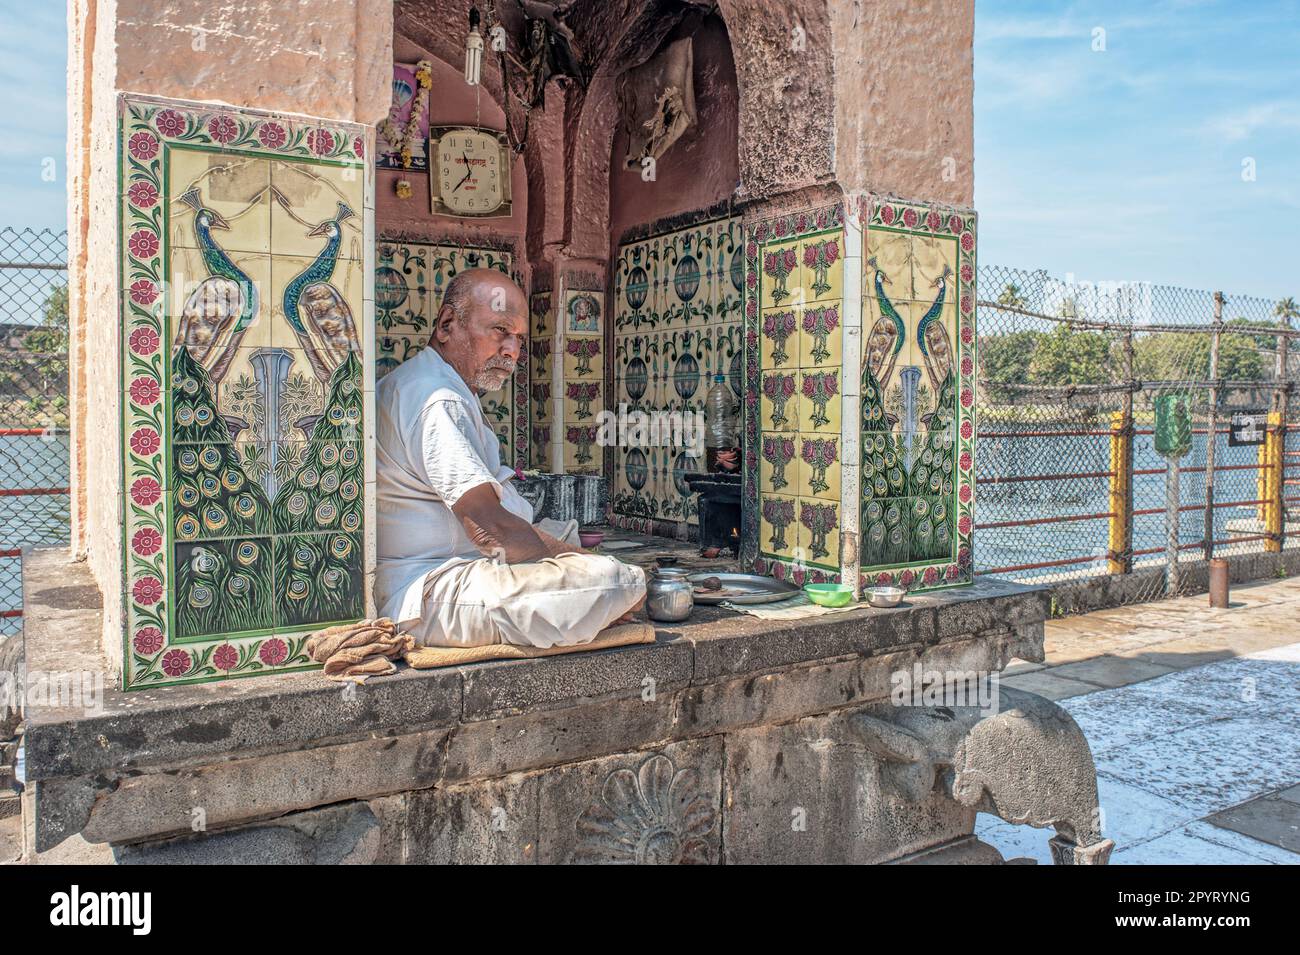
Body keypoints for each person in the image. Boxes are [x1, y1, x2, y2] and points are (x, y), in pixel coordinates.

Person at [375, 268, 646, 648]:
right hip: (429, 592)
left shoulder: (432, 384)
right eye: (500, 330)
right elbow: (489, 530)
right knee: (614, 580)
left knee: (573, 547)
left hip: (440, 579)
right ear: (447, 324)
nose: (511, 351)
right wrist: (574, 563)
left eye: (518, 338)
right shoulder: (437, 398)